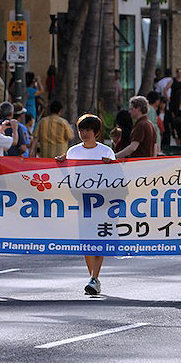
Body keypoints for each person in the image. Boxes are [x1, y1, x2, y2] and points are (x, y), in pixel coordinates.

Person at [56, 114, 116, 295]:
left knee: (100, 240)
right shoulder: (73, 151)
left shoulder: (106, 151)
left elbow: (117, 174)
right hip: (81, 201)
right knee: (86, 242)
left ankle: (94, 277)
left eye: (88, 130)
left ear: (96, 132)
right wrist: (60, 163)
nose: (84, 133)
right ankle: (93, 277)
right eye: (81, 129)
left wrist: (111, 165)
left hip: (103, 202)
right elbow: (66, 173)